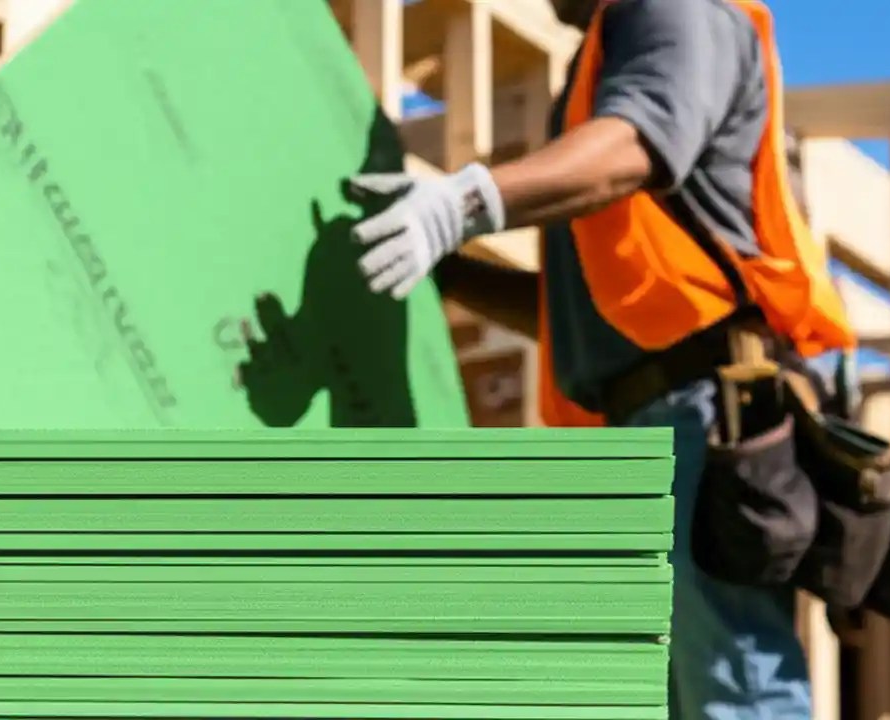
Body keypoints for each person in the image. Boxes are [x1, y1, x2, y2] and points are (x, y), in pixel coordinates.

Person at [345, 0, 855, 717]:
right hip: (660, 414)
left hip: (708, 413)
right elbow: (586, 315)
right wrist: (448, 269)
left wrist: (463, 201)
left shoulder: (675, 12)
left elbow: (640, 142)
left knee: (734, 688)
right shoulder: (612, 49)